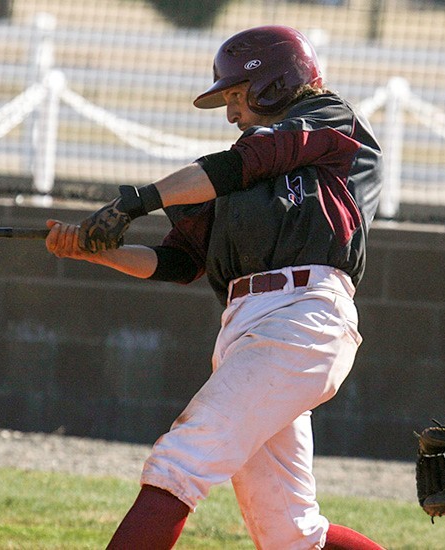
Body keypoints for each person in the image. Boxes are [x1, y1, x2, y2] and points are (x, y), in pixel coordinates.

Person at [45, 25, 385, 550]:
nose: (231, 113)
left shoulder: (328, 120)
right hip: (248, 328)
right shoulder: (235, 176)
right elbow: (177, 261)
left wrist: (135, 202)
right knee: (292, 537)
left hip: (304, 315)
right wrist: (97, 249)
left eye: (235, 95)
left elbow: (250, 161)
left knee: (179, 462)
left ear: (272, 81)